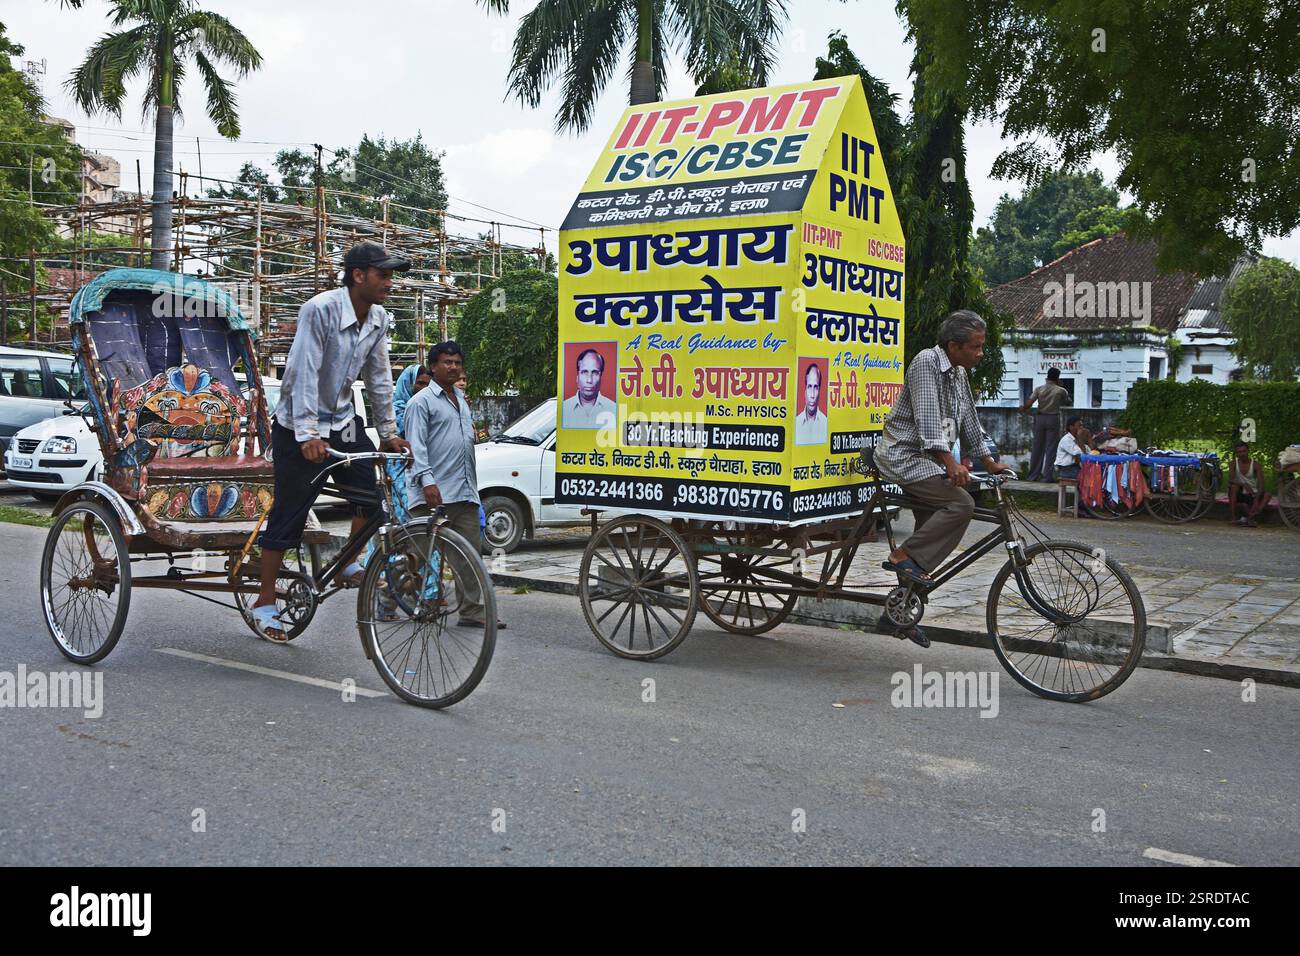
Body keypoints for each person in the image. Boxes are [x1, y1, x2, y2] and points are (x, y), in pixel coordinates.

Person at [249, 241, 412, 641]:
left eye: (392, 275)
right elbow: (303, 369)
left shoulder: (379, 318)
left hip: (342, 418)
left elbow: (378, 377)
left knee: (369, 499)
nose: (389, 283)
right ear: (358, 275)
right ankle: (265, 602)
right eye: (383, 275)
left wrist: (389, 432)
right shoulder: (320, 309)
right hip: (297, 424)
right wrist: (306, 433)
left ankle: (348, 561)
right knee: (291, 510)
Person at [876, 310, 1011, 644]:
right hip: (905, 457)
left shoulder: (959, 374)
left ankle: (900, 613)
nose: (981, 353)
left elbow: (969, 421)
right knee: (960, 504)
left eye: (982, 346)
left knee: (928, 538)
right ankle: (901, 556)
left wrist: (989, 461)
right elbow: (927, 422)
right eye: (976, 347)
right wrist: (950, 463)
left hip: (930, 460)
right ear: (954, 345)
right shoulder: (926, 363)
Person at [405, 341, 504, 629]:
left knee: (469, 558)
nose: (453, 367)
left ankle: (473, 613)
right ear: (433, 366)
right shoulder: (420, 402)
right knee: (416, 556)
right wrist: (427, 482)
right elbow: (417, 446)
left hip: (463, 493)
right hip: (431, 494)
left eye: (457, 362)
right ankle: (389, 596)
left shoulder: (461, 399)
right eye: (447, 362)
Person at [1020, 367, 1070, 481]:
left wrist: (1023, 408)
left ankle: (1032, 476)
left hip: (1040, 418)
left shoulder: (1039, 389)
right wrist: (1061, 385)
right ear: (1057, 378)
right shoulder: (1060, 390)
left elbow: (1028, 403)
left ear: (1047, 376)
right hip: (1053, 418)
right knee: (1051, 448)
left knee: (1037, 447)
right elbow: (1067, 400)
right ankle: (1047, 476)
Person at [562, 348, 616, 429]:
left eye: (595, 373)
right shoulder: (563, 409)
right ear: (577, 377)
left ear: (601, 377)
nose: (589, 380)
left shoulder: (613, 409)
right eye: (584, 372)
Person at [1228, 442, 1271, 526]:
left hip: (1252, 493)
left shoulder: (1256, 465)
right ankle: (1233, 517)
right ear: (1236, 454)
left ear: (1248, 451)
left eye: (1244, 451)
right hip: (1240, 493)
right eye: (1239, 452)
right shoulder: (1233, 464)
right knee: (1234, 487)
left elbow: (1261, 484)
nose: (1242, 454)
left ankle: (1251, 517)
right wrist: (1243, 484)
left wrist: (1256, 499)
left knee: (1268, 495)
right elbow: (1230, 480)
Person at [794, 362, 829, 445]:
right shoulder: (796, 423)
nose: (812, 395)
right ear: (805, 390)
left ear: (819, 390)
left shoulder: (826, 423)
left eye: (815, 387)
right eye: (809, 387)